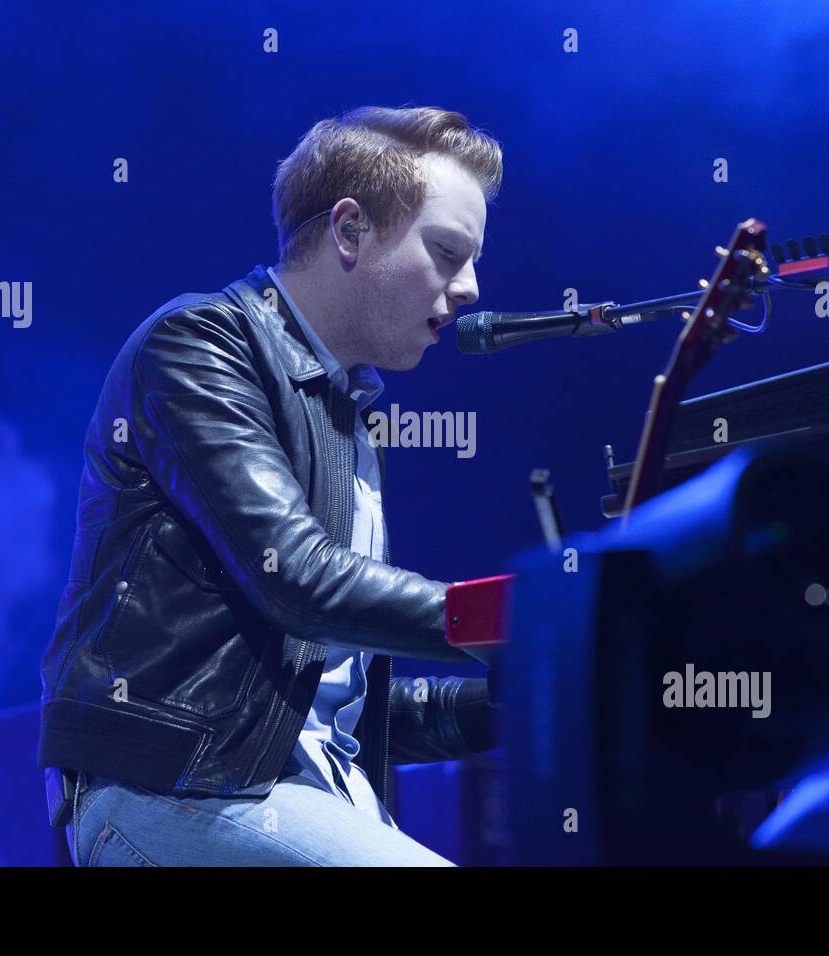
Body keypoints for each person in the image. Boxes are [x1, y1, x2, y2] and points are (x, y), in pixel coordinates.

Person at [38, 106, 503, 866]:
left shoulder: (345, 417)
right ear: (350, 231)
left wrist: (550, 678)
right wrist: (516, 614)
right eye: (448, 252)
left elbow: (335, 710)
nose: (471, 288)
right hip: (171, 792)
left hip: (295, 795)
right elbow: (299, 577)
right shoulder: (200, 343)